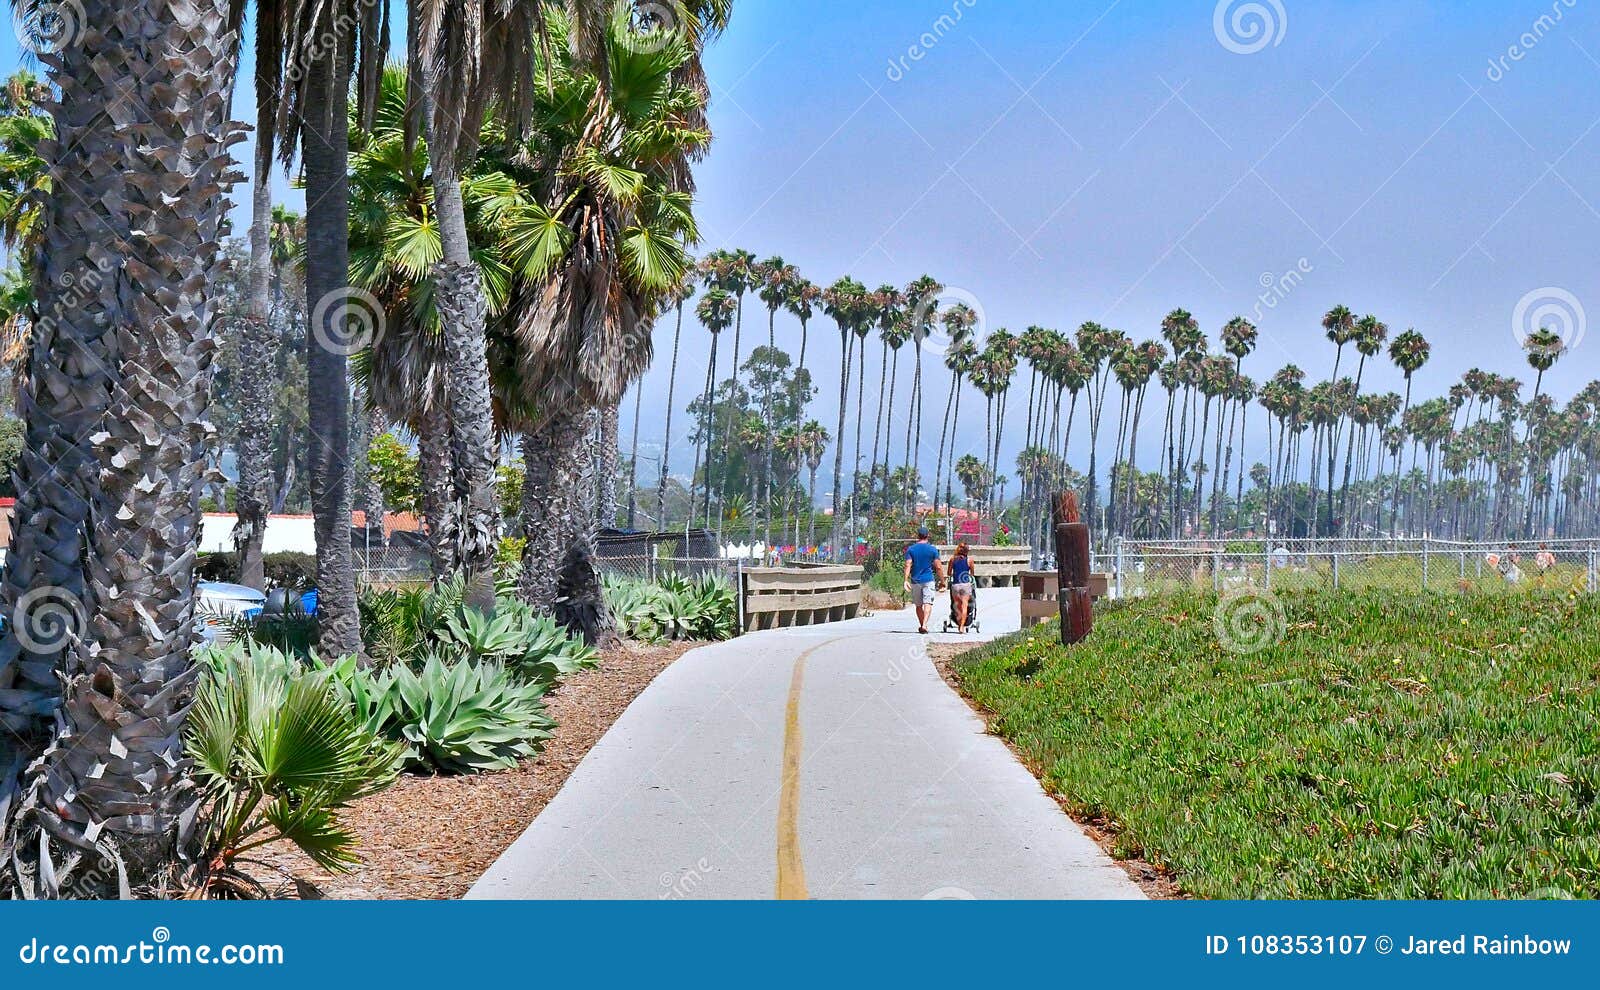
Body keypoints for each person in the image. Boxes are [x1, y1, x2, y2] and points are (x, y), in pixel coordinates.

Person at [902, 526, 944, 635]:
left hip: (915, 580)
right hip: (928, 580)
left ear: (918, 536)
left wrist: (905, 579)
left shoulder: (911, 549)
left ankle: (922, 625)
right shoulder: (932, 549)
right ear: (927, 535)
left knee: (918, 605)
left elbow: (908, 564)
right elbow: (938, 567)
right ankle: (924, 625)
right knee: (928, 603)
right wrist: (942, 581)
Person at [949, 543, 975, 633]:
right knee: (964, 606)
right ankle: (961, 626)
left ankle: (959, 623)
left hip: (956, 585)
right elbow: (972, 573)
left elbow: (949, 573)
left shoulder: (952, 559)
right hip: (965, 585)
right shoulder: (970, 560)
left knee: (957, 606)